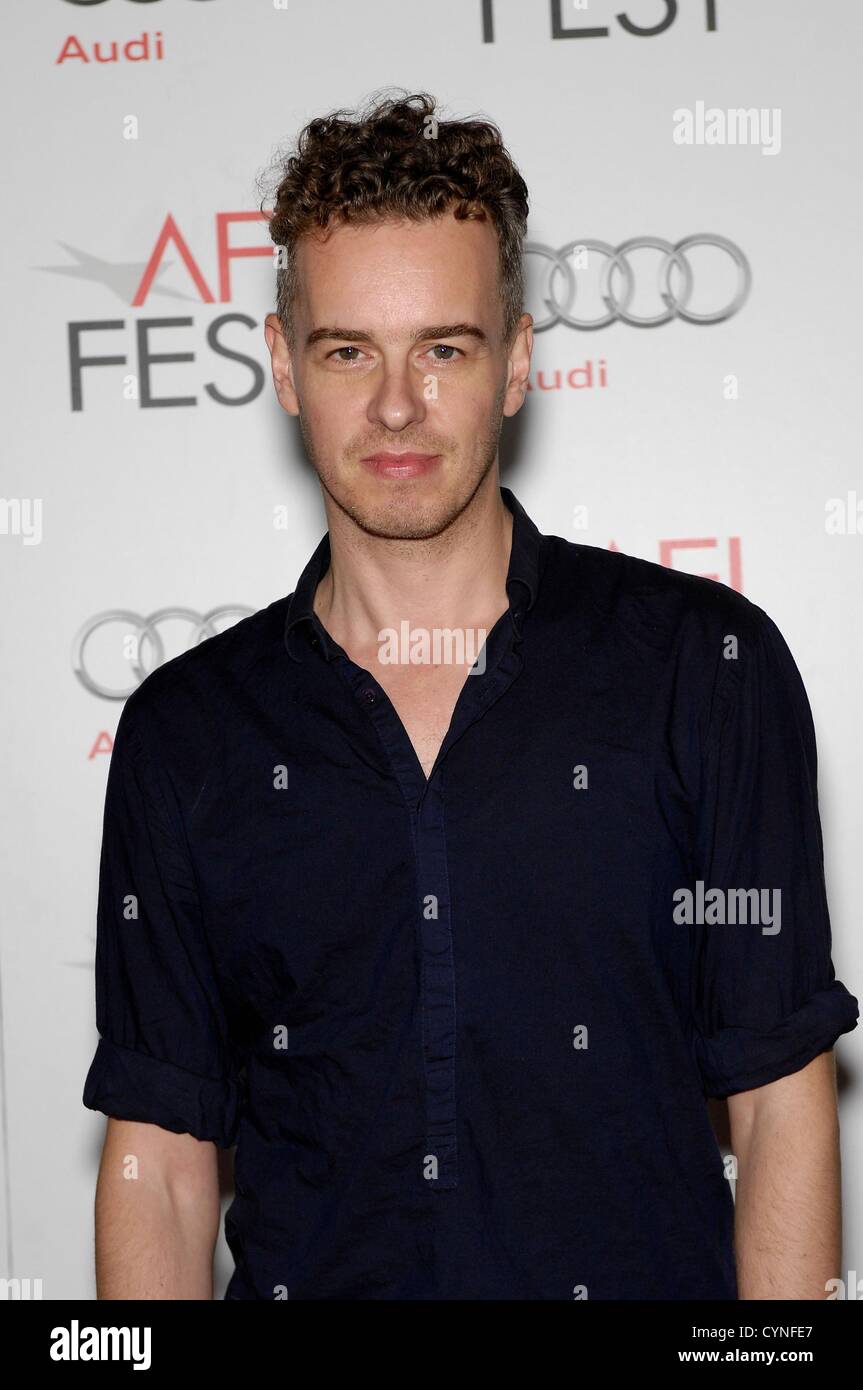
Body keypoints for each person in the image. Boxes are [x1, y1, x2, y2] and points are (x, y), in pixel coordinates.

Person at [83, 89, 858, 1300]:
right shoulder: (188, 735)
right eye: (350, 351)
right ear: (284, 365)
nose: (397, 406)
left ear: (517, 364)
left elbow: (777, 1107)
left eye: (443, 348)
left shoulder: (703, 671)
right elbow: (166, 1160)